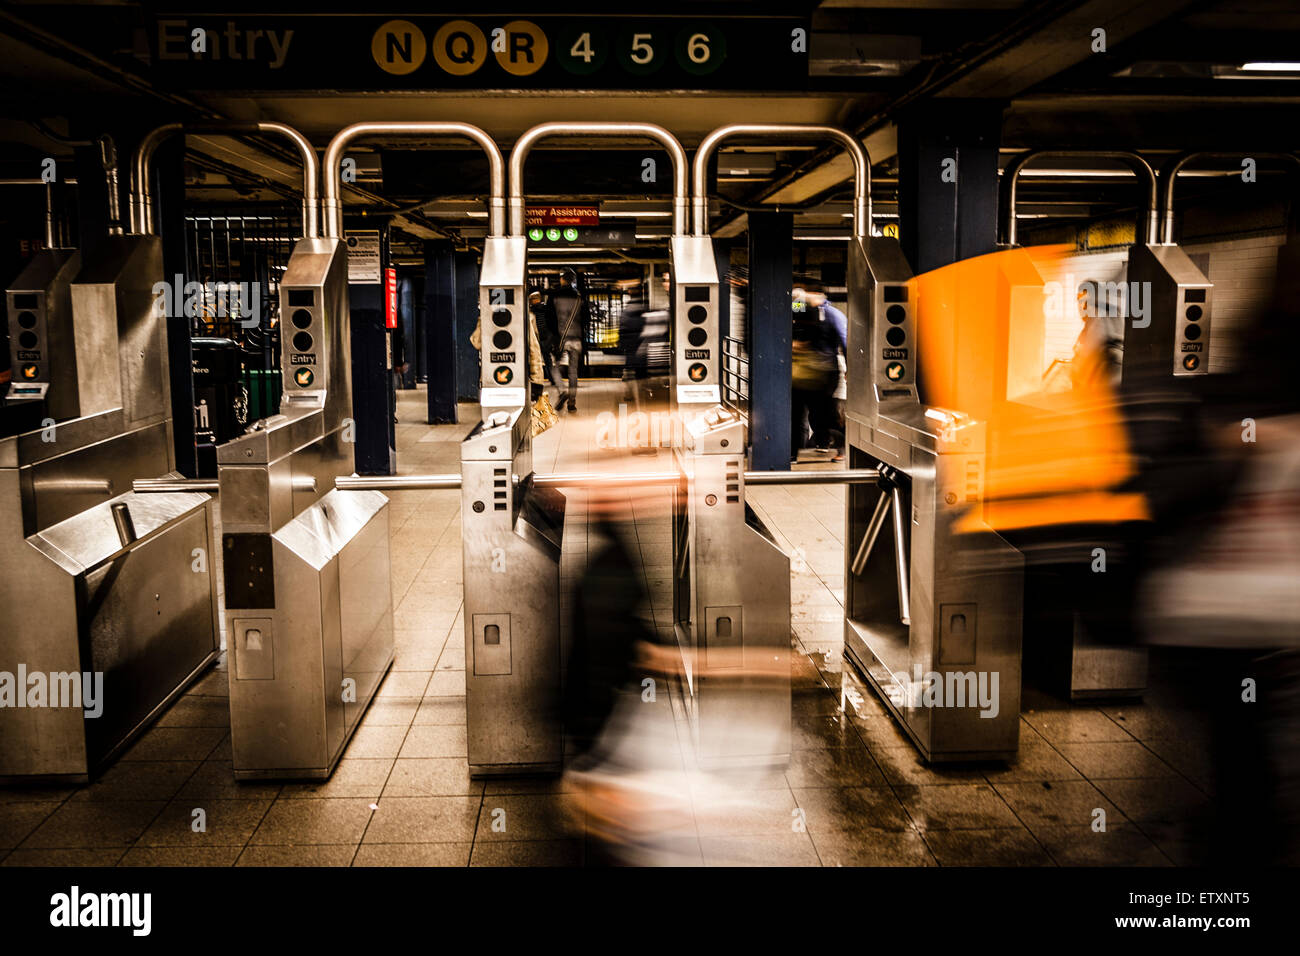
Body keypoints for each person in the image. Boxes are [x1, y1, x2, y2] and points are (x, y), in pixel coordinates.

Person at [794, 280, 848, 461]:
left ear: (819, 295)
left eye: (808, 293)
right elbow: (791, 314)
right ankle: (817, 444)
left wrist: (850, 367)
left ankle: (841, 446)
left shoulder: (832, 315)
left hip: (826, 373)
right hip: (804, 371)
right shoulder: (804, 308)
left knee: (825, 412)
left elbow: (845, 340)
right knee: (804, 412)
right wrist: (797, 298)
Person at [790, 303, 840, 461]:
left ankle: (831, 443)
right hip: (805, 377)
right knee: (802, 416)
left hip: (815, 377)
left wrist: (799, 344)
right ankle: (795, 451)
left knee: (820, 415)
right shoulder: (801, 306)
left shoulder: (825, 315)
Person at [548, 270, 587, 411]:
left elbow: (550, 319)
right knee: (573, 371)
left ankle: (562, 390)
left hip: (561, 339)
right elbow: (585, 319)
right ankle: (572, 402)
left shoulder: (554, 295)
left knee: (554, 367)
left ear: (563, 279)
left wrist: (553, 338)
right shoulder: (579, 297)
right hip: (576, 339)